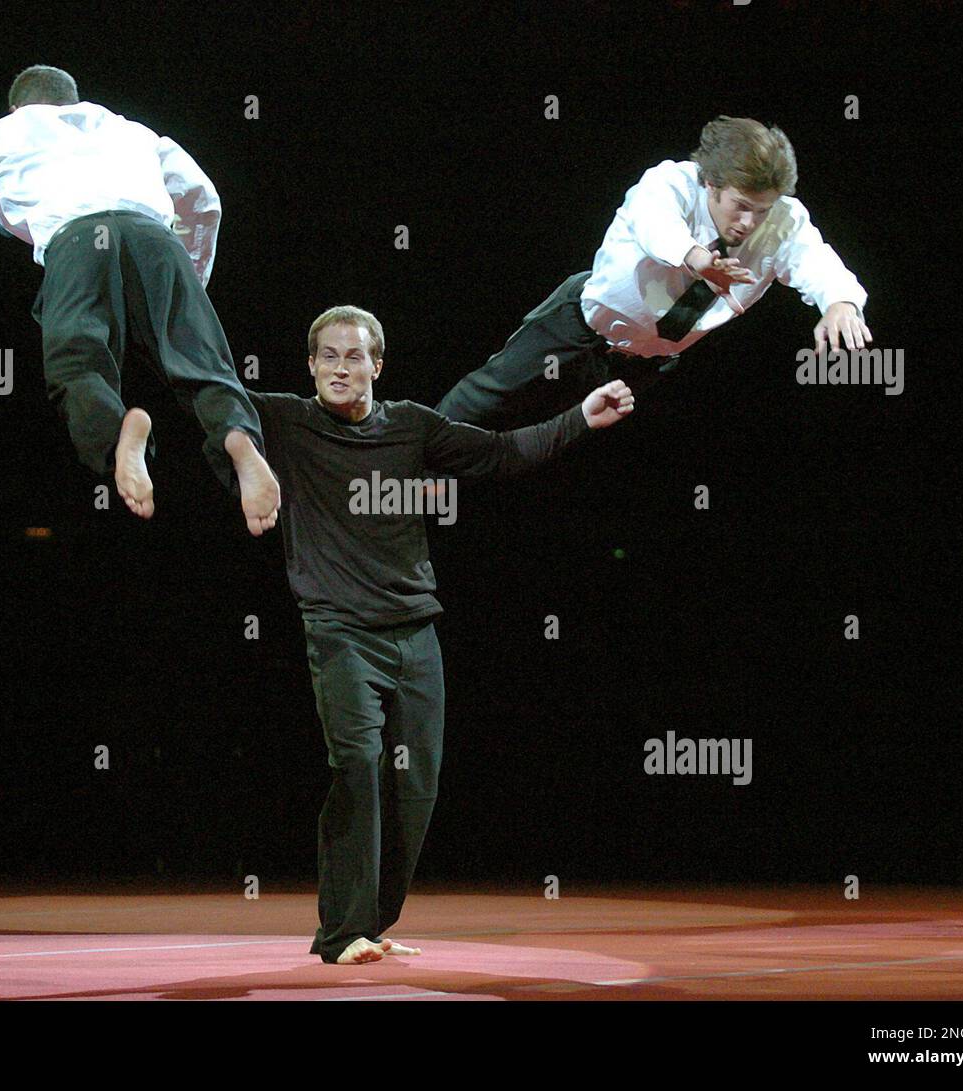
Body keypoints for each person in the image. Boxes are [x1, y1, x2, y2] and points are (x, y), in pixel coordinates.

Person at [248, 305, 634, 964]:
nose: (343, 367)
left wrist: (581, 417)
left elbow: (503, 452)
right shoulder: (281, 420)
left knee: (416, 786)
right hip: (338, 628)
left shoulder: (413, 427)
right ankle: (341, 932)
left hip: (414, 631)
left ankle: (370, 921)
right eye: (330, 356)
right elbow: (202, 390)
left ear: (377, 364)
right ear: (310, 365)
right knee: (359, 768)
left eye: (356, 355)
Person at [0, 64, 280, 534]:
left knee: (78, 363)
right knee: (206, 365)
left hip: (77, 240)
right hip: (158, 241)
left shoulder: (10, 130)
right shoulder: (133, 129)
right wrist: (189, 287)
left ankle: (118, 438)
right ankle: (238, 436)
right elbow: (204, 200)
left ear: (18, 107)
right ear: (72, 99)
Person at [436, 116, 873, 429]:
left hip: (644, 366)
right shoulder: (671, 183)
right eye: (741, 206)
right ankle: (397, 465)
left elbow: (815, 259)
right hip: (578, 327)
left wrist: (840, 301)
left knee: (549, 442)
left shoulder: (783, 220)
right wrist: (698, 259)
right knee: (484, 400)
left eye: (762, 210)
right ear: (711, 182)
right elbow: (653, 223)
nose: (750, 223)